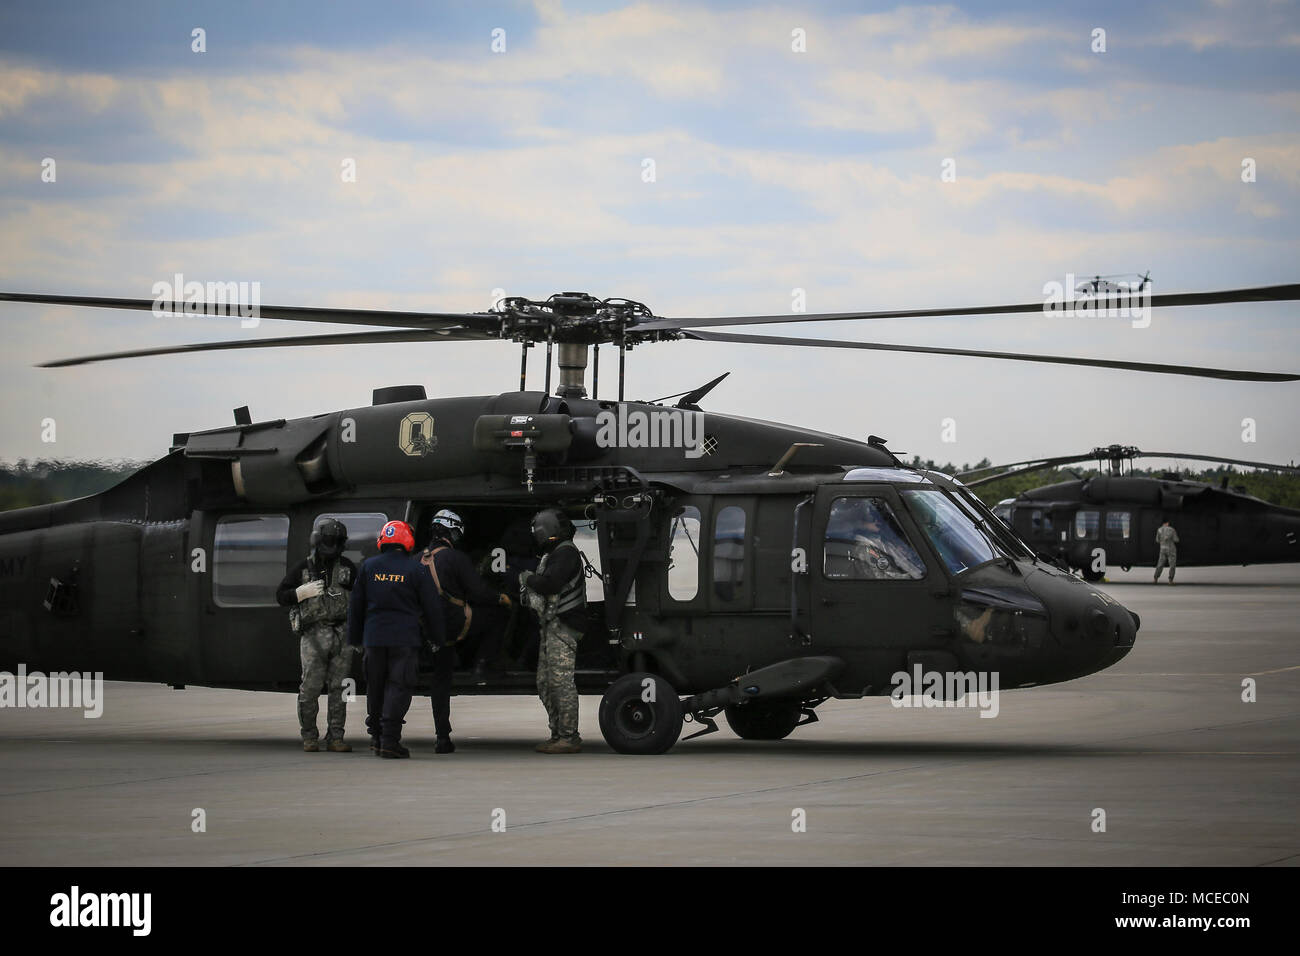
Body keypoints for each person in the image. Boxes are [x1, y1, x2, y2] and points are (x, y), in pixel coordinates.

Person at [348, 520, 445, 759]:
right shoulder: (416, 570)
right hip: (404, 639)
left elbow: (355, 607)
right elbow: (432, 609)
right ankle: (390, 741)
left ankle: (376, 737)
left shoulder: (368, 567)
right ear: (407, 541)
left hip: (374, 638)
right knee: (398, 685)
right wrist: (437, 639)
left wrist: (355, 638)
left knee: (376, 686)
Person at [419, 509, 512, 754]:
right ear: (453, 532)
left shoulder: (418, 559)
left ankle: (442, 738)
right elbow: (479, 592)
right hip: (455, 625)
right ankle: (483, 664)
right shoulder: (456, 558)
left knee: (440, 680)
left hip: (428, 632)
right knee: (496, 615)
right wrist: (501, 597)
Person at [276, 518, 357, 753]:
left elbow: (361, 597)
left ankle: (336, 737)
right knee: (310, 688)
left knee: (339, 688)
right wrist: (299, 593)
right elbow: (281, 595)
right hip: (313, 633)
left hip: (342, 633)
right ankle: (309, 736)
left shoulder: (348, 568)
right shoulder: (303, 568)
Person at [521, 508, 587, 754]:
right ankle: (558, 732)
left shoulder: (565, 554)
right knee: (545, 682)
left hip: (564, 626)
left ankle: (569, 736)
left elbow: (549, 584)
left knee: (561, 682)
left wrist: (526, 578)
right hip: (552, 626)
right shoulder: (557, 553)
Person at [1154, 519, 1180, 584]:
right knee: (1172, 565)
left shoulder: (1159, 530)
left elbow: (1157, 540)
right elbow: (1176, 540)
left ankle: (1155, 578)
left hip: (1162, 549)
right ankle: (1170, 580)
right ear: (1167, 523)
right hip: (1171, 549)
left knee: (1160, 564)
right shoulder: (1172, 530)